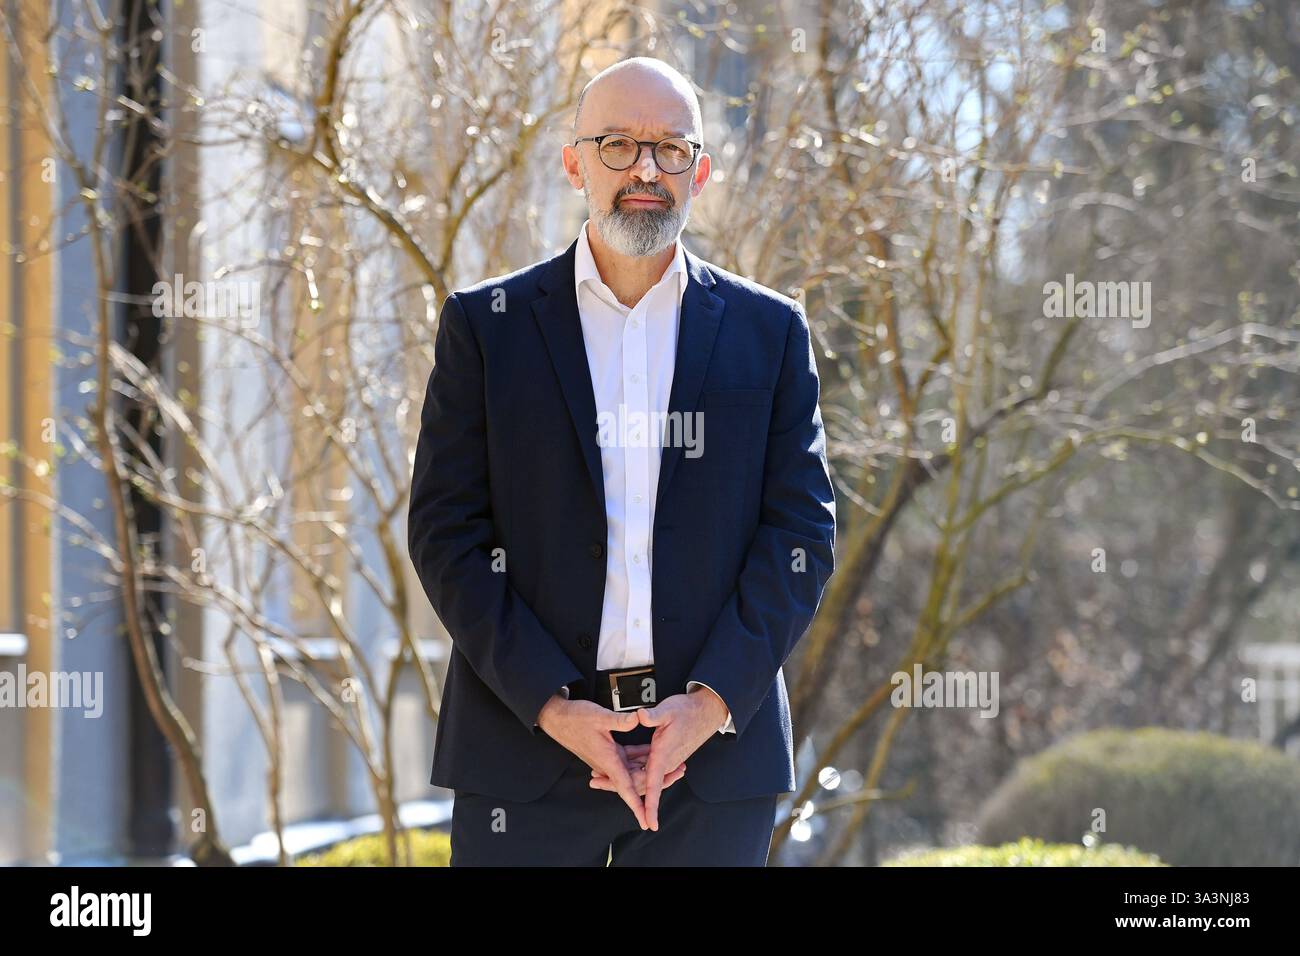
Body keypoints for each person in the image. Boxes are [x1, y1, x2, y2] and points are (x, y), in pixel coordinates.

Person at [407, 56, 836, 866]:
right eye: (617, 144)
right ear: (574, 162)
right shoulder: (486, 328)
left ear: (701, 171)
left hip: (711, 764)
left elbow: (802, 535)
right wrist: (554, 708)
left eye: (671, 148)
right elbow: (445, 535)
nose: (646, 168)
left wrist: (708, 706)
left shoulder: (770, 334)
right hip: (523, 752)